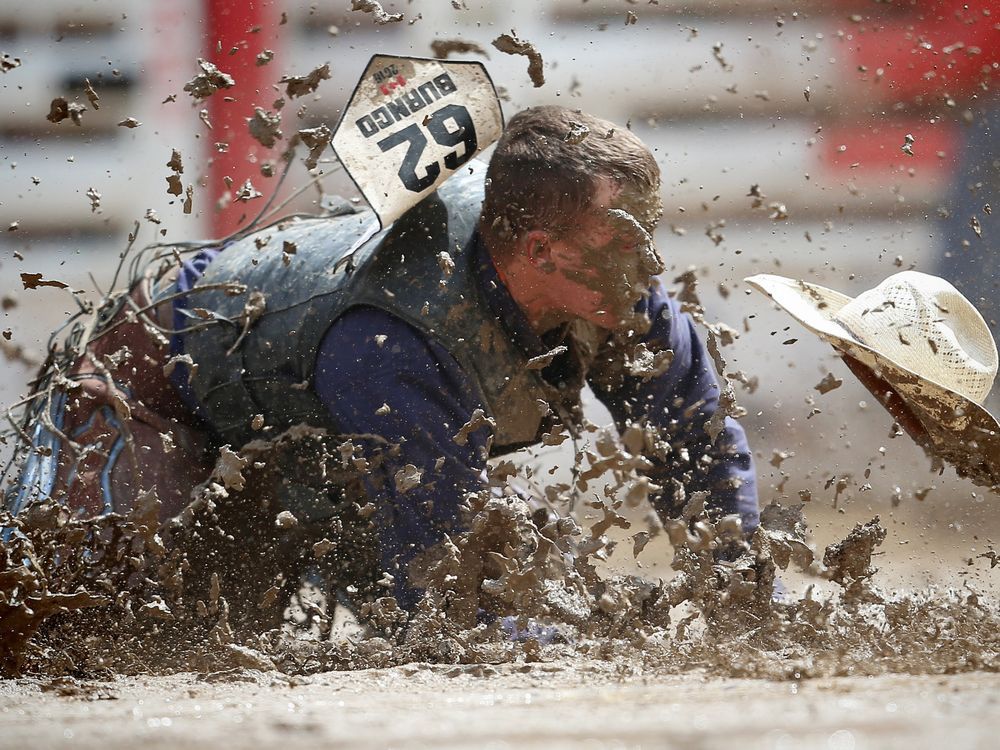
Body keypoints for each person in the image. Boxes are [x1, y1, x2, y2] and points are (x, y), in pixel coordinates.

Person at [6, 106, 759, 612]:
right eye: (630, 237)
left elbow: (697, 441)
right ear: (541, 250)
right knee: (87, 614)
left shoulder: (620, 289)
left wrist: (742, 591)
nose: (653, 261)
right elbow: (436, 577)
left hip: (313, 413)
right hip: (156, 376)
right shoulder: (400, 337)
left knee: (507, 586)